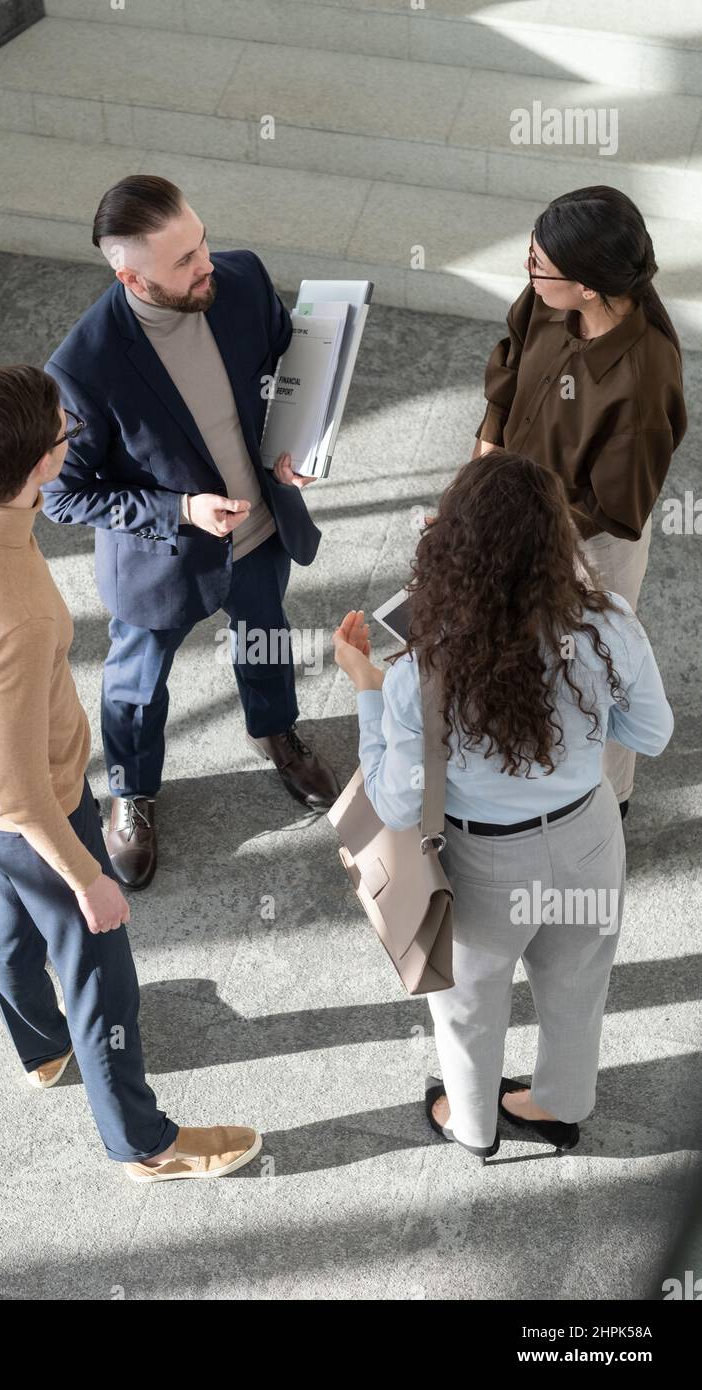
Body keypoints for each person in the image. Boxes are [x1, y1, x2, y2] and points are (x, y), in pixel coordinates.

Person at [0, 365, 261, 1184]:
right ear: (40, 469)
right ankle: (145, 1144)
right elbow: (25, 794)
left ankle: (42, 1051)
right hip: (37, 804)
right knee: (102, 982)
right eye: (66, 431)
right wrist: (88, 877)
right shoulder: (17, 612)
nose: (74, 434)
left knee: (5, 926)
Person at [332, 450, 674, 1159]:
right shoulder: (609, 624)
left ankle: (474, 1125)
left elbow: (396, 801)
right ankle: (557, 1107)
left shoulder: (424, 669)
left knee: (468, 1009)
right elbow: (653, 733)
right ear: (560, 544)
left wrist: (368, 689)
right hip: (587, 839)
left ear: (454, 551)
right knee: (579, 984)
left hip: (483, 862)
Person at [41, 174, 340, 891]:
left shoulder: (238, 279)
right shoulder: (83, 369)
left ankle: (275, 730)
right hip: (161, 559)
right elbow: (62, 496)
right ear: (130, 277)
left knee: (265, 631)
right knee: (137, 685)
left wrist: (299, 444)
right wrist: (179, 512)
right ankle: (132, 792)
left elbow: (281, 370)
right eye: (183, 262)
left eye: (200, 241)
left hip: (261, 526)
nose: (206, 262)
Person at [472, 185, 686, 815]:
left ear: (589, 285)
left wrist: (510, 521)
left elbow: (618, 507)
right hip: (512, 512)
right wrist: (484, 463)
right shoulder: (548, 297)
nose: (529, 270)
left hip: (589, 545)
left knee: (599, 674)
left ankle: (608, 799)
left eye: (539, 263)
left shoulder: (643, 378)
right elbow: (509, 368)